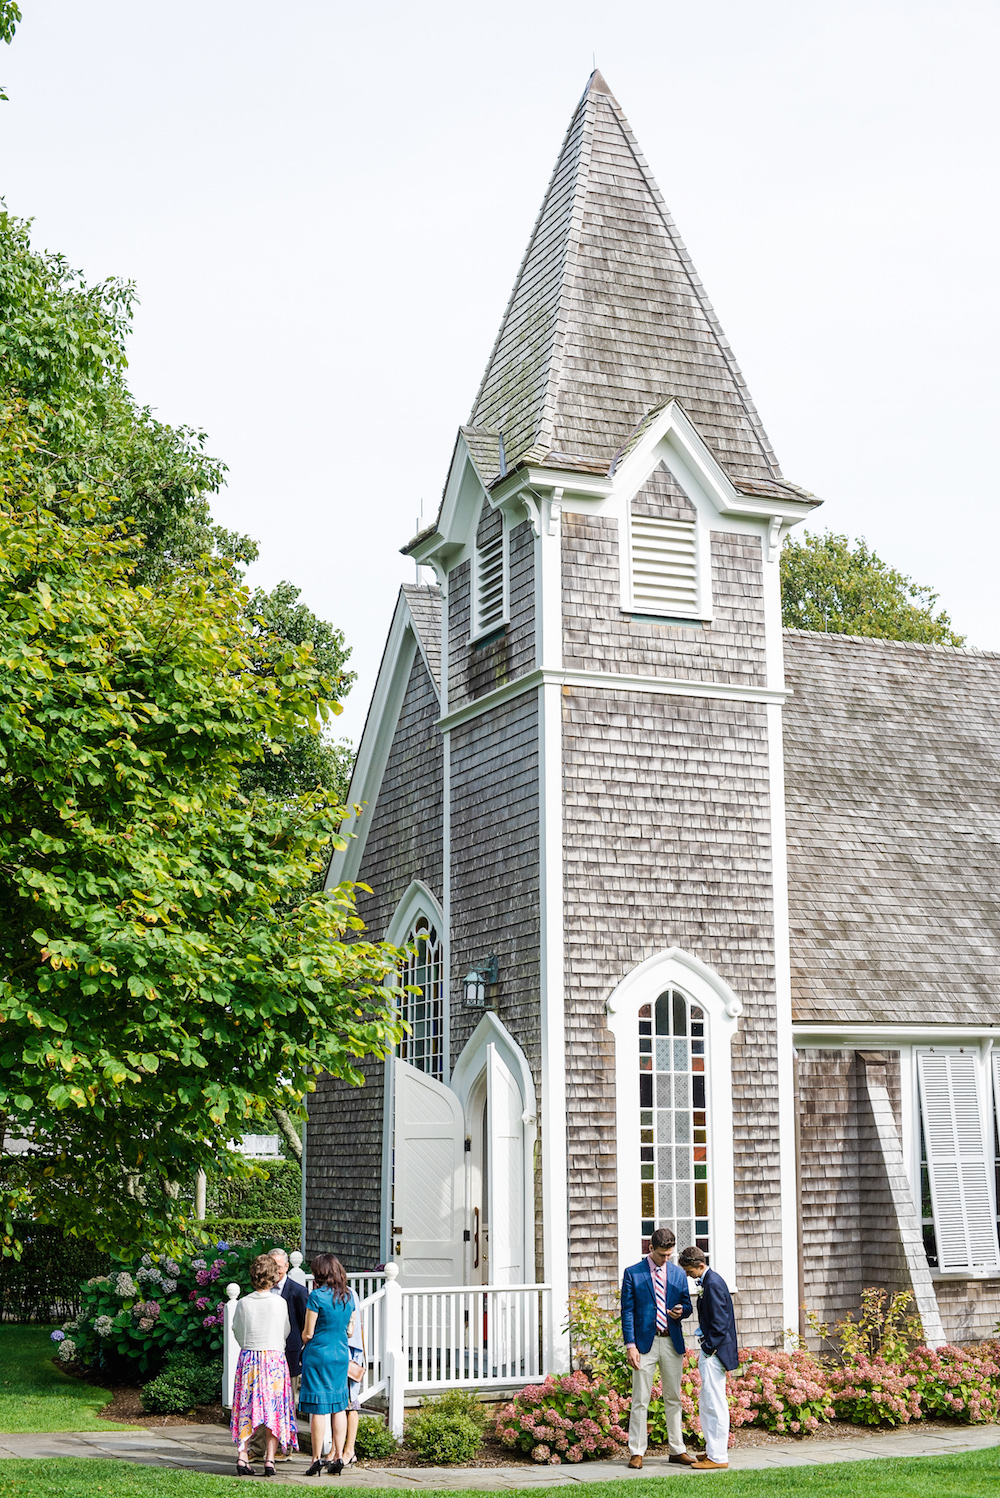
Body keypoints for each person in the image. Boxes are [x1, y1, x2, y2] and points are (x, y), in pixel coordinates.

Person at [620, 1227, 694, 1469]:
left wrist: (682, 1311)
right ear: (650, 1248)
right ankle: (637, 1451)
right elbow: (627, 1312)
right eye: (662, 1254)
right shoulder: (633, 1273)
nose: (666, 1259)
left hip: (671, 1341)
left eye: (669, 1255)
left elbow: (687, 1304)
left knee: (673, 1397)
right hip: (644, 1344)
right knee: (640, 1398)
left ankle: (677, 1449)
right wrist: (630, 1345)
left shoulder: (678, 1273)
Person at [230, 1253, 299, 1478]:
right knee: (274, 1409)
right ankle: (270, 1459)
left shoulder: (243, 1303)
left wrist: (250, 1345)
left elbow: (237, 1331)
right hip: (274, 1360)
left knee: (245, 1407)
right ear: (273, 1277)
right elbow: (286, 1331)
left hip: (250, 1357)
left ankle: (243, 1455)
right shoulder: (280, 1303)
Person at [677, 1245, 738, 1472]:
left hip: (715, 1353)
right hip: (711, 1352)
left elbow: (720, 1324)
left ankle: (719, 1456)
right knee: (707, 1402)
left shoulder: (712, 1284)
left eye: (689, 1271)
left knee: (715, 1404)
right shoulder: (709, 1280)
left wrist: (709, 1349)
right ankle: (713, 1449)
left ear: (700, 1265)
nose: (687, 1274)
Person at [247, 1247, 308, 1463]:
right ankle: (257, 1447)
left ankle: (285, 1446)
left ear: (286, 1267)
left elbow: (302, 1324)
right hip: (261, 1355)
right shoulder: (257, 1293)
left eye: (280, 1267)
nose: (277, 1271)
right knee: (259, 1403)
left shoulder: (298, 1292)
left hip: (287, 1355)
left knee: (284, 1404)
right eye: (273, 1266)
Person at [299, 1253, 354, 1476]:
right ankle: (339, 1456)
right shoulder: (348, 1296)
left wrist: (303, 1335)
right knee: (339, 1406)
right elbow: (349, 1329)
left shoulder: (316, 1297)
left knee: (320, 1409)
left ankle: (315, 1459)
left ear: (318, 1273)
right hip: (340, 1354)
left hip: (319, 1354)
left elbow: (308, 1333)